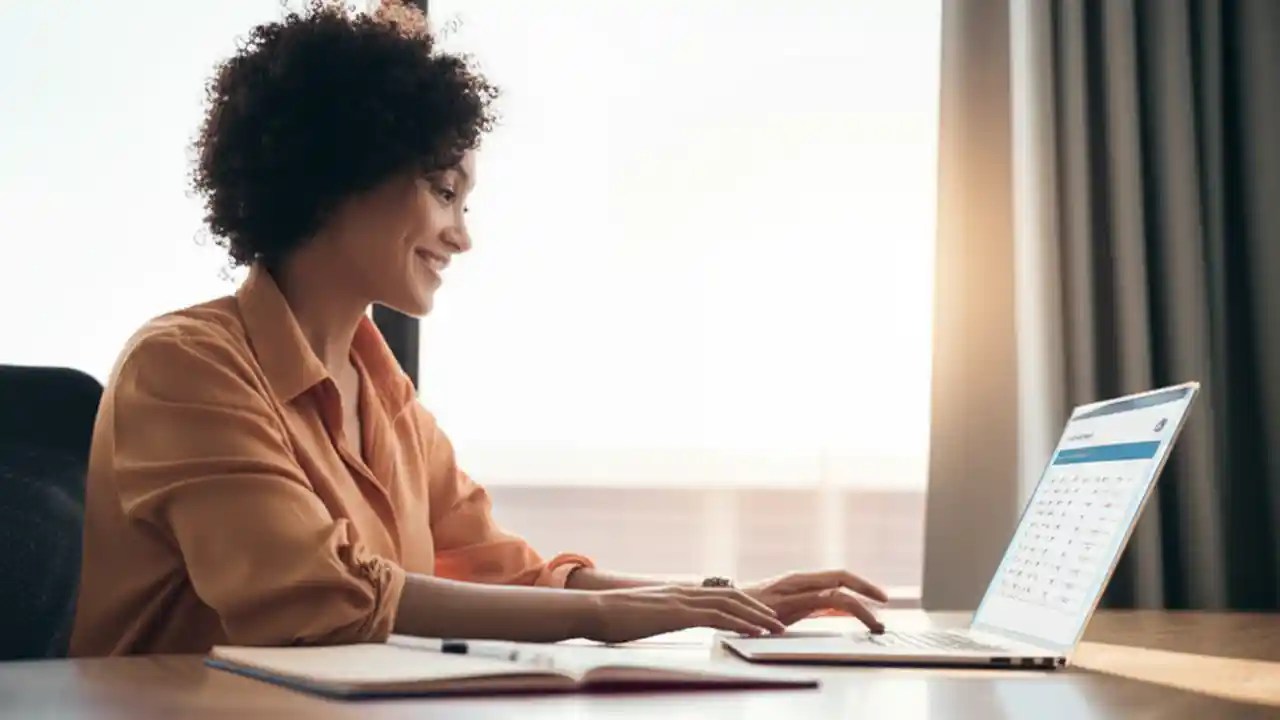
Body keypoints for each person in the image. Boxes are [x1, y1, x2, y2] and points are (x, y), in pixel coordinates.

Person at [68, 0, 887, 657]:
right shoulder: (183, 369)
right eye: (443, 192)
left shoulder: (384, 395)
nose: (461, 235)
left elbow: (509, 576)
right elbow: (324, 600)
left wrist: (717, 598)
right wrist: (620, 619)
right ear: (337, 174)